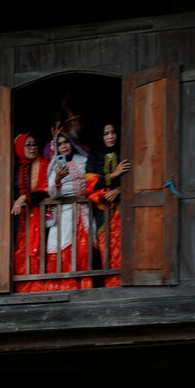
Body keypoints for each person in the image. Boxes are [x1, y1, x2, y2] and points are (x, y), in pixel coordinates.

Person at [44, 131, 95, 289]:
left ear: (72, 143)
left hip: (83, 213)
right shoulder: (55, 168)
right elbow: (52, 193)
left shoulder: (83, 160)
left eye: (66, 142)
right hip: (64, 215)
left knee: (83, 252)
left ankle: (85, 289)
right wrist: (58, 180)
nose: (63, 146)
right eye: (59, 144)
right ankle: (66, 288)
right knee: (63, 252)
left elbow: (92, 180)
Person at [85, 121, 130, 288]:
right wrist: (114, 174)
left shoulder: (125, 152)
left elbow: (138, 179)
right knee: (108, 252)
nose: (110, 136)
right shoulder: (94, 156)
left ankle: (129, 285)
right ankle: (112, 287)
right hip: (103, 214)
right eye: (106, 133)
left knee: (127, 249)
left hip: (126, 211)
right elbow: (90, 184)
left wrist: (119, 191)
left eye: (113, 132)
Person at [11, 133, 49, 293]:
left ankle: (37, 290)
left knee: (37, 251)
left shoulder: (44, 165)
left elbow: (47, 189)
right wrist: (16, 200)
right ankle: (22, 290)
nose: (33, 148)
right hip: (18, 219)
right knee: (19, 253)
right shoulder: (14, 168)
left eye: (35, 144)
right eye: (28, 145)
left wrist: (24, 198)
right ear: (20, 148)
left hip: (37, 216)